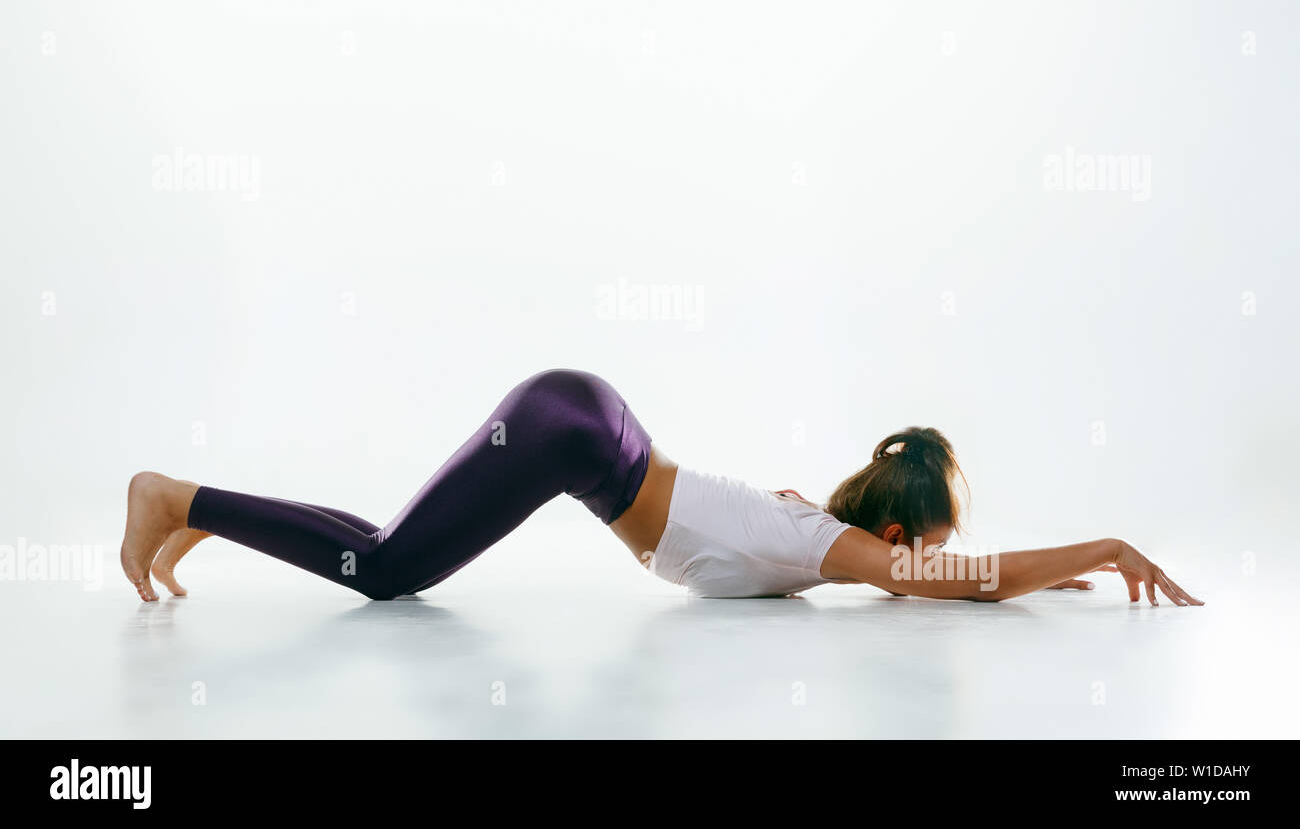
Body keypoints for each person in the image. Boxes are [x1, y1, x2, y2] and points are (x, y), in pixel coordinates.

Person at [120, 368, 1203, 607]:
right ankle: (174, 497)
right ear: (890, 532)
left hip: (581, 424)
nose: (905, 570)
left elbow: (969, 573)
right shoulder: (832, 547)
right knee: (393, 569)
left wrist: (1040, 579)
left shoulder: (815, 531)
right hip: (574, 434)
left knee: (394, 544)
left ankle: (199, 514)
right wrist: (1103, 547)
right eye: (909, 550)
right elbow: (964, 580)